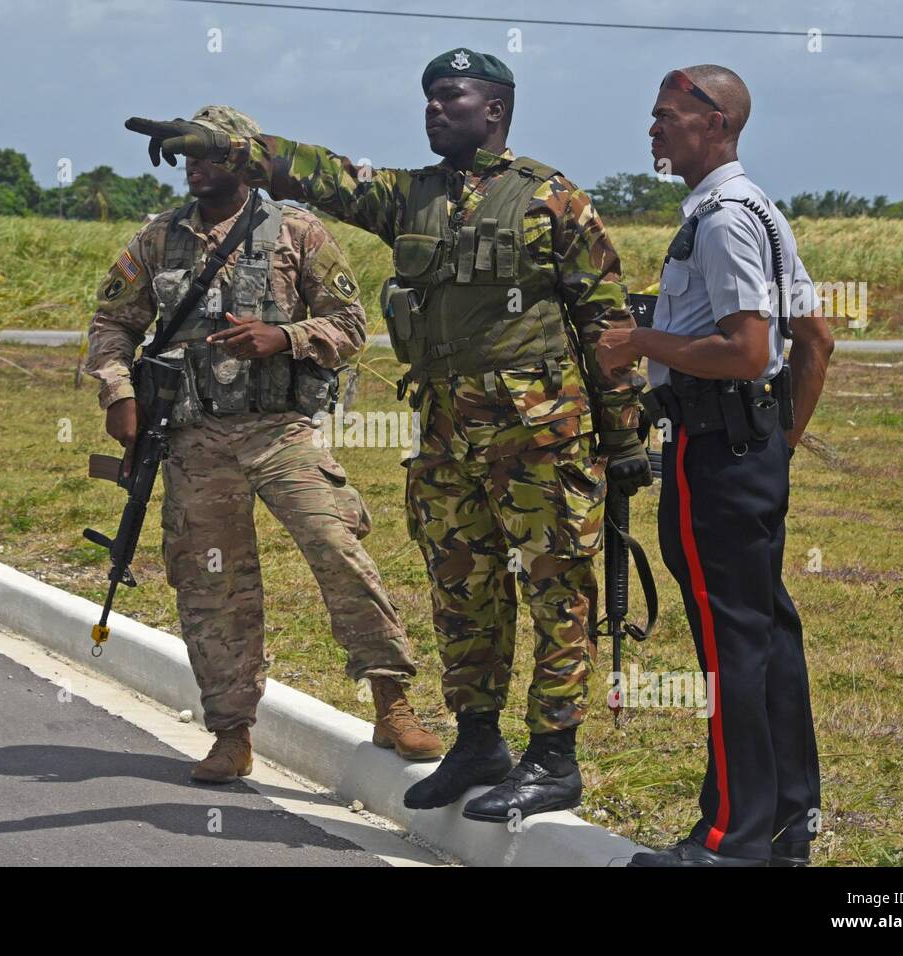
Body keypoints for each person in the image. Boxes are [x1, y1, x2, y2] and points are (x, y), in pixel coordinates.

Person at [125, 51, 650, 821]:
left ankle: (553, 756)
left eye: (452, 97)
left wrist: (626, 433)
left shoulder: (551, 200)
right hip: (445, 438)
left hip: (539, 436)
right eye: (429, 98)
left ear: (495, 109)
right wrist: (224, 145)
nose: (435, 109)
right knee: (464, 592)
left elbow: (608, 321)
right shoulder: (412, 198)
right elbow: (321, 175)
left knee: (555, 590)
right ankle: (479, 741)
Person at [85, 105, 443, 784]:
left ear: (241, 159)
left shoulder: (297, 230)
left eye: (208, 155)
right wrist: (118, 393)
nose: (195, 167)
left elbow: (350, 323)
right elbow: (113, 323)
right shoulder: (158, 238)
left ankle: (392, 701)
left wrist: (285, 338)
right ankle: (231, 732)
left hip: (281, 429)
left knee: (337, 548)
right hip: (195, 439)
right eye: (187, 156)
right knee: (211, 582)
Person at [597, 65, 833, 866]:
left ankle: (731, 840)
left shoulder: (722, 221)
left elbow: (747, 348)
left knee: (728, 647)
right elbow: (816, 340)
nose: (654, 129)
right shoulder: (760, 209)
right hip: (752, 450)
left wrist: (639, 342)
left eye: (668, 117)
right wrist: (781, 445)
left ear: (719, 123)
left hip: (714, 453)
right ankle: (788, 822)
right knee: (766, 636)